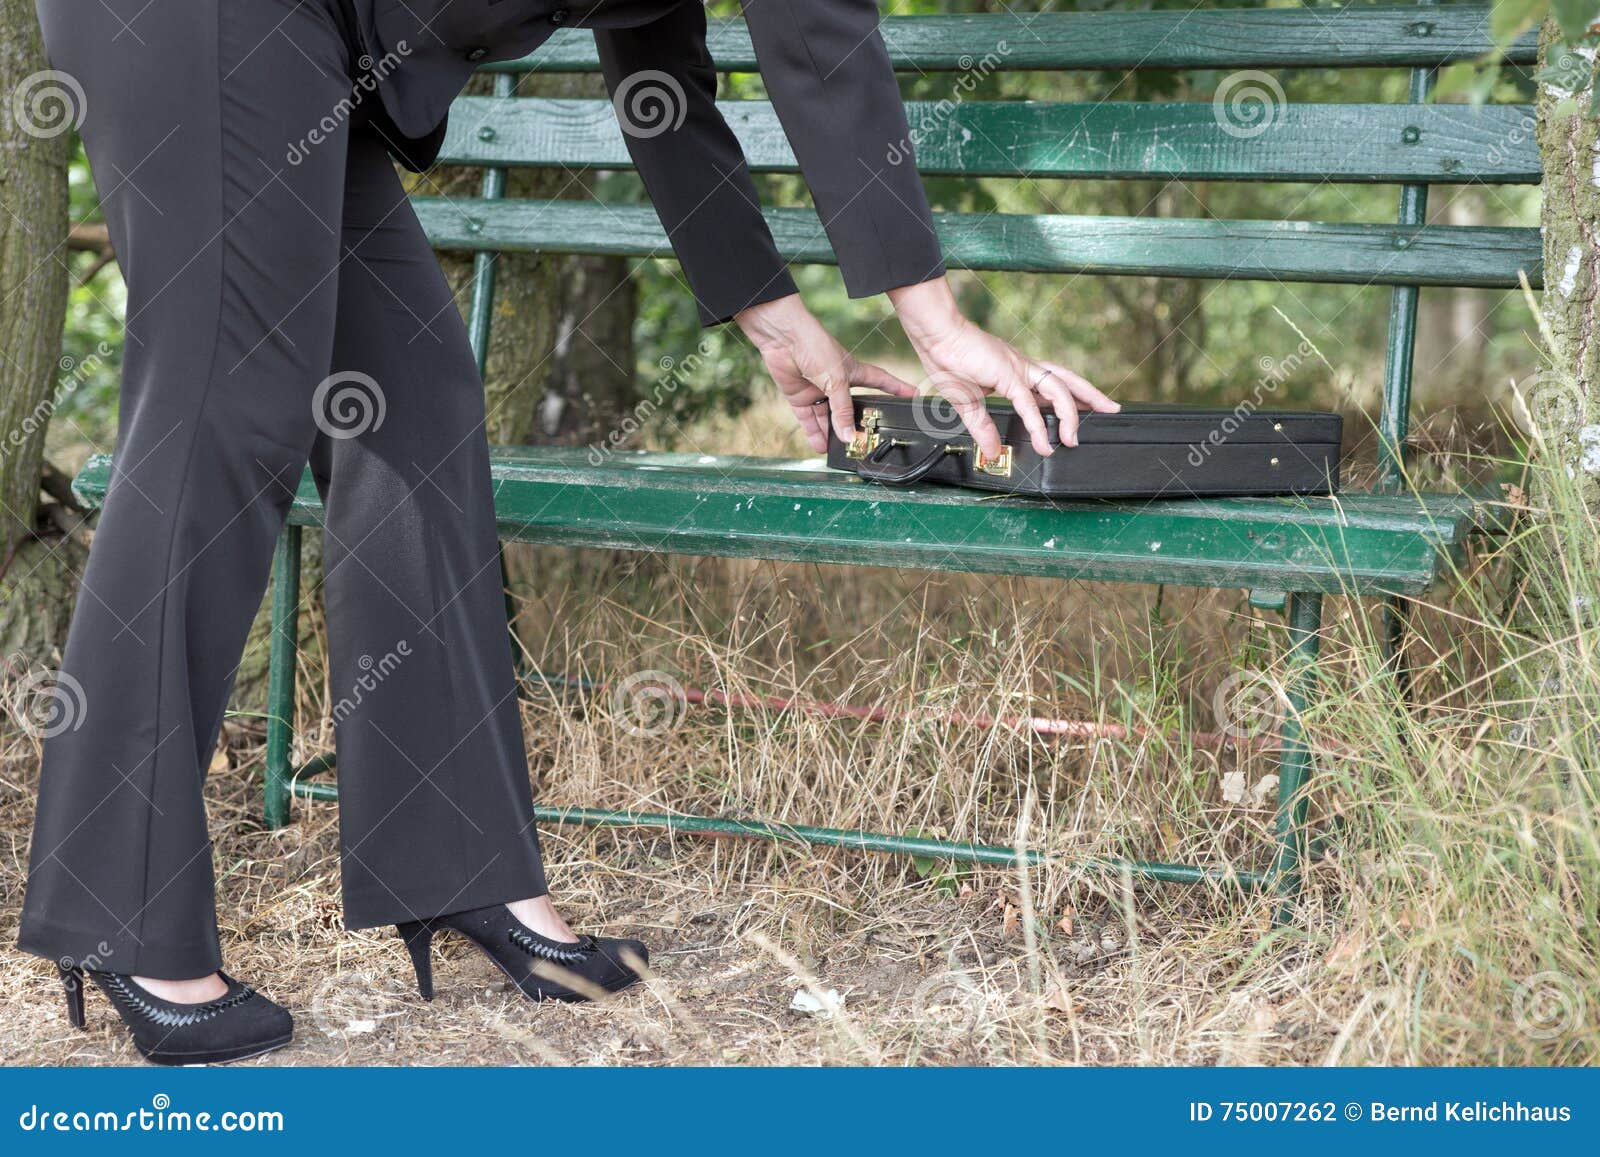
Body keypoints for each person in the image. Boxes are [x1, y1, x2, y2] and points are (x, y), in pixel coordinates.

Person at [19, 0, 1116, 1065]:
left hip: (308, 45)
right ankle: (119, 908)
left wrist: (765, 310)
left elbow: (659, 69)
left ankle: (461, 862)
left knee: (409, 400)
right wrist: (934, 320)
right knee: (227, 408)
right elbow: (817, 35)